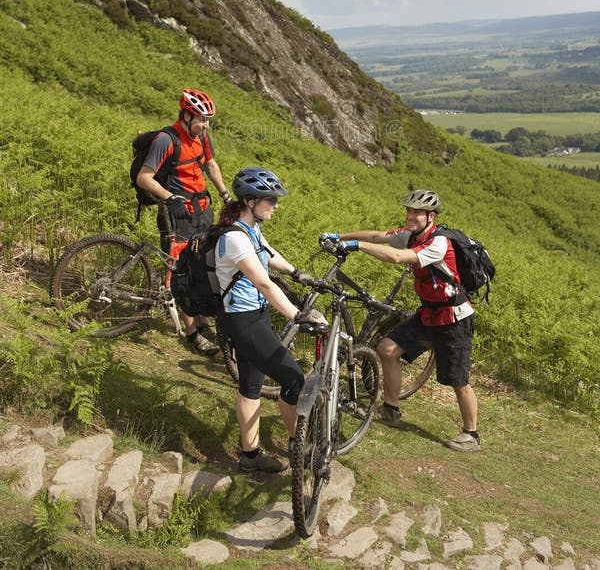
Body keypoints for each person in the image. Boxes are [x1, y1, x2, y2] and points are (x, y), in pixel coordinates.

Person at [320, 189, 480, 453]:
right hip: (428, 313)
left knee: (457, 379)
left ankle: (471, 434)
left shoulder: (439, 243)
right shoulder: (411, 235)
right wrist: (339, 236)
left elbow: (396, 257)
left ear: (430, 216)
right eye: (408, 210)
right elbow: (378, 236)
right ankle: (391, 410)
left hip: (453, 318)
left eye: (416, 212)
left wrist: (356, 246)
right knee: (387, 349)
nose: (410, 216)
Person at [214, 167, 325, 473]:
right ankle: (298, 447)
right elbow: (264, 283)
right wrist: (297, 315)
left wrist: (294, 271)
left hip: (254, 316)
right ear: (250, 201)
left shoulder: (251, 229)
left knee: (251, 385)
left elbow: (266, 252)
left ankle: (250, 457)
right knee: (294, 380)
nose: (276, 205)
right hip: (243, 321)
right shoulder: (235, 238)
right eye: (271, 200)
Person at [136, 88, 231, 355]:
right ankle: (191, 334)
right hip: (177, 214)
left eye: (208, 119)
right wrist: (169, 198)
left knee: (203, 267)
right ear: (186, 115)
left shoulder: (202, 137)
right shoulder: (167, 140)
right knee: (179, 272)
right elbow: (144, 177)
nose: (205, 125)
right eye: (201, 119)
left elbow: (210, 165)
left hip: (202, 210)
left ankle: (201, 320)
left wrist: (224, 194)